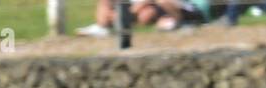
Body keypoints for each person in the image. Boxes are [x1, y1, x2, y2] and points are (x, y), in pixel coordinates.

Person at [77, 0, 211, 36]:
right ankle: (102, 27)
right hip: (146, 7)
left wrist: (127, 13)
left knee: (148, 13)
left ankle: (179, 23)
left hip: (179, 8)